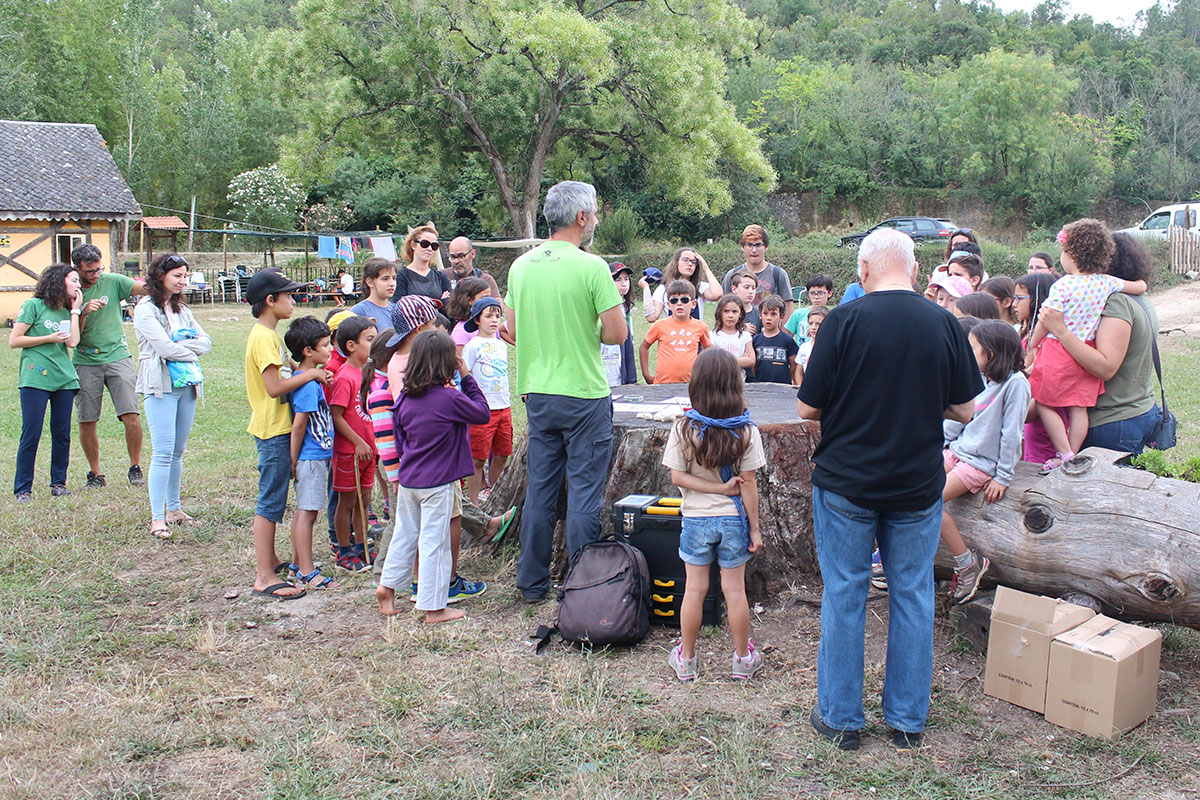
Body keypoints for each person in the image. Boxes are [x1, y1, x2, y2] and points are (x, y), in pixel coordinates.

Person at [796, 227, 982, 751]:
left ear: (862, 270)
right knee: (913, 596)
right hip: (917, 484)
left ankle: (839, 719)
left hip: (847, 483)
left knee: (846, 592)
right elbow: (965, 409)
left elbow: (807, 407)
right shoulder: (944, 323)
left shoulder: (842, 322)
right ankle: (906, 721)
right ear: (916, 270)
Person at [505, 180, 627, 603]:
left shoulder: (520, 267)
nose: (595, 220)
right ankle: (581, 585)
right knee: (584, 495)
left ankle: (531, 583)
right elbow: (617, 333)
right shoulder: (592, 267)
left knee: (540, 491)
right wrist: (584, 327)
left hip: (538, 392)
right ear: (581, 218)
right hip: (585, 394)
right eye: (593, 213)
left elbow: (513, 331)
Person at [664, 348, 766, 681]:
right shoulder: (747, 430)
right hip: (734, 521)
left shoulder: (683, 426)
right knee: (734, 591)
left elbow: (677, 477)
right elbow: (748, 484)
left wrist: (713, 490)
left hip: (695, 519)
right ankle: (742, 659)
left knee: (694, 590)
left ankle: (687, 659)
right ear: (734, 385)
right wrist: (755, 529)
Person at [376, 331, 491, 623]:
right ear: (447, 364)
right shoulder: (449, 397)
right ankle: (434, 606)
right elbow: (481, 412)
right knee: (434, 542)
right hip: (438, 482)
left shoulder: (404, 398)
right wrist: (467, 377)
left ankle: (386, 588)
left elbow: (400, 441)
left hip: (410, 479)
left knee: (404, 535)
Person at [1026, 219, 1146, 472]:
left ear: (1071, 255)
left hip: (1058, 350)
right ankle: (1074, 450)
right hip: (1086, 351)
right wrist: (1141, 285)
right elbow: (1140, 286)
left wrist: (1032, 345)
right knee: (1079, 406)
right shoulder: (1107, 282)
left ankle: (1064, 451)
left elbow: (1046, 320)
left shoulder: (1063, 285)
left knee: (1044, 401)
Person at [245, 268, 332, 600]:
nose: (292, 301)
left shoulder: (268, 334)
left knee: (275, 499)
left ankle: (272, 560)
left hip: (275, 427)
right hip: (274, 429)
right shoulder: (264, 338)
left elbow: (286, 372)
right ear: (271, 301)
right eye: (288, 296)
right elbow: (274, 387)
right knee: (271, 503)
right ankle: (264, 577)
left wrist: (307, 372)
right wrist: (313, 375)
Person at [938, 321, 1030, 604]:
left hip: (980, 463)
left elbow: (1012, 433)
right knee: (906, 483)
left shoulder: (1015, 384)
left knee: (925, 500)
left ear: (989, 354)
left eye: (972, 349)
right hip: (957, 451)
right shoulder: (979, 379)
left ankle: (967, 565)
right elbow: (960, 418)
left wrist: (1003, 476)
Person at [133, 254, 212, 539]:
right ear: (160, 276)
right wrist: (190, 349)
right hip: (160, 385)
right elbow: (164, 348)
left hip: (186, 383)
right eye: (177, 275)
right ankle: (157, 518)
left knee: (177, 452)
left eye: (184, 276)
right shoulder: (144, 309)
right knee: (163, 452)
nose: (182, 281)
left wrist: (185, 345)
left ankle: (175, 510)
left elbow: (207, 341)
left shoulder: (180, 309)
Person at [71, 243, 148, 490]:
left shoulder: (113, 281)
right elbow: (71, 337)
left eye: (98, 269)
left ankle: (135, 467)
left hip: (118, 357)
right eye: (90, 271)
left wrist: (168, 277)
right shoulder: (69, 291)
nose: (95, 274)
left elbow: (146, 288)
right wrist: (82, 312)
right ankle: (95, 474)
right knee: (87, 419)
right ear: (77, 269)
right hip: (85, 360)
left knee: (131, 415)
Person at [11, 263, 83, 501]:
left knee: (62, 434)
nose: (78, 285)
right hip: (35, 378)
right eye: (74, 280)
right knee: (31, 433)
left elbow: (72, 343)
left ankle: (59, 484)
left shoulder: (69, 310)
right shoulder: (34, 306)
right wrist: (49, 338)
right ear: (59, 281)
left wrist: (76, 312)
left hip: (64, 378)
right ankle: (23, 489)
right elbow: (15, 340)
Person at [283, 316, 339, 590]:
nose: (330, 350)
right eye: (326, 345)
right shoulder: (306, 385)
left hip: (315, 456)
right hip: (310, 458)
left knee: (306, 512)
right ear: (308, 351)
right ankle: (307, 571)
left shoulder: (307, 379)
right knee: (307, 513)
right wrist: (293, 462)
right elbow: (299, 425)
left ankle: (296, 565)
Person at [329, 315, 378, 571]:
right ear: (351, 345)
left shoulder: (368, 373)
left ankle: (361, 544)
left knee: (365, 499)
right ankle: (344, 551)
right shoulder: (344, 376)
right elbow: (336, 415)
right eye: (370, 339)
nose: (375, 342)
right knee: (347, 501)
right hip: (351, 452)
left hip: (370, 450)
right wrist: (358, 442)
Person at [462, 297, 513, 503]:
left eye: (497, 316)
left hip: (504, 406)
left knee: (502, 452)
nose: (493, 320)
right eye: (488, 316)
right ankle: (473, 501)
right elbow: (465, 374)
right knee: (477, 458)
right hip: (482, 410)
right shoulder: (473, 345)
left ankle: (493, 494)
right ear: (477, 320)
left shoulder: (501, 345)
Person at [1013, 273, 1064, 464]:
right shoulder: (1025, 333)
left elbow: (1032, 374)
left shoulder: (1044, 340)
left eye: (1019, 298)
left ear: (1037, 300)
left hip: (1041, 420)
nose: (1014, 304)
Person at [639, 280, 711, 384]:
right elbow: (644, 347)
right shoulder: (659, 325)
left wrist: (704, 372)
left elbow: (707, 349)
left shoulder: (701, 326)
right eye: (674, 301)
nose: (679, 304)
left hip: (691, 384)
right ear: (668, 305)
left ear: (693, 304)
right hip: (663, 384)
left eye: (684, 300)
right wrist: (646, 374)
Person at [720, 225, 793, 320]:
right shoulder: (733, 275)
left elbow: (788, 307)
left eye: (758, 245)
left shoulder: (778, 274)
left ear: (766, 247)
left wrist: (782, 333)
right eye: (749, 245)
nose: (754, 250)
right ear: (743, 247)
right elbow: (722, 307)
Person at [640, 247, 723, 322]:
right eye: (686, 260)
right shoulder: (663, 289)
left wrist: (705, 267)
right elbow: (651, 317)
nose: (690, 264)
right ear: (676, 262)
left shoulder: (699, 287)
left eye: (693, 262)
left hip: (694, 337)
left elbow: (717, 294)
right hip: (671, 336)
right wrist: (646, 288)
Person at [602, 262, 638, 386]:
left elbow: (629, 349)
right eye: (618, 279)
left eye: (626, 279)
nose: (624, 283)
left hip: (619, 368)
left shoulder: (626, 308)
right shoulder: (599, 306)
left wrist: (631, 380)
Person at [394, 225, 451, 302]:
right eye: (424, 244)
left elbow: (450, 308)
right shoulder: (401, 276)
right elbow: (400, 308)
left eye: (434, 246)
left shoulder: (441, 278)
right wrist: (439, 303)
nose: (429, 249)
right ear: (413, 245)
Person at [751, 295, 799, 384]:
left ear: (781, 317)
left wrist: (788, 379)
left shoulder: (787, 340)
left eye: (773, 314)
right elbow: (753, 366)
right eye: (765, 313)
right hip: (760, 386)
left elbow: (794, 364)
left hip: (782, 387)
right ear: (760, 315)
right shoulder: (755, 340)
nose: (769, 317)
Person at [783, 274, 834, 345]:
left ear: (829, 293)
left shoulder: (833, 316)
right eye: (812, 293)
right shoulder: (798, 314)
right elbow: (787, 336)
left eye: (820, 293)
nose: (816, 297)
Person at [710, 294, 755, 375]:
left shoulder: (745, 336)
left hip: (739, 383)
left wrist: (723, 360)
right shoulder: (713, 336)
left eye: (734, 311)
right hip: (718, 382)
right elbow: (713, 362)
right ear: (720, 313)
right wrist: (741, 360)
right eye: (726, 311)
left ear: (740, 314)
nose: (730, 315)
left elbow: (751, 361)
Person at [445, 276, 490, 355]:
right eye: (483, 298)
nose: (488, 301)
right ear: (469, 300)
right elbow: (462, 363)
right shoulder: (461, 332)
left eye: (489, 297)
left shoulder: (491, 326)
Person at [349, 257, 397, 330]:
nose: (392, 283)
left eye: (394, 278)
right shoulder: (359, 311)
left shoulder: (397, 310)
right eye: (385, 279)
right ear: (370, 282)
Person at [729, 269, 761, 334]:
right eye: (746, 287)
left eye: (753, 288)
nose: (751, 291)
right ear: (734, 289)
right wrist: (740, 329)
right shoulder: (726, 313)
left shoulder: (759, 315)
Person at [796, 305, 828, 371]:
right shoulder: (804, 347)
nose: (813, 327)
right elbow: (798, 371)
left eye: (818, 324)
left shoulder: (832, 348)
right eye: (811, 323)